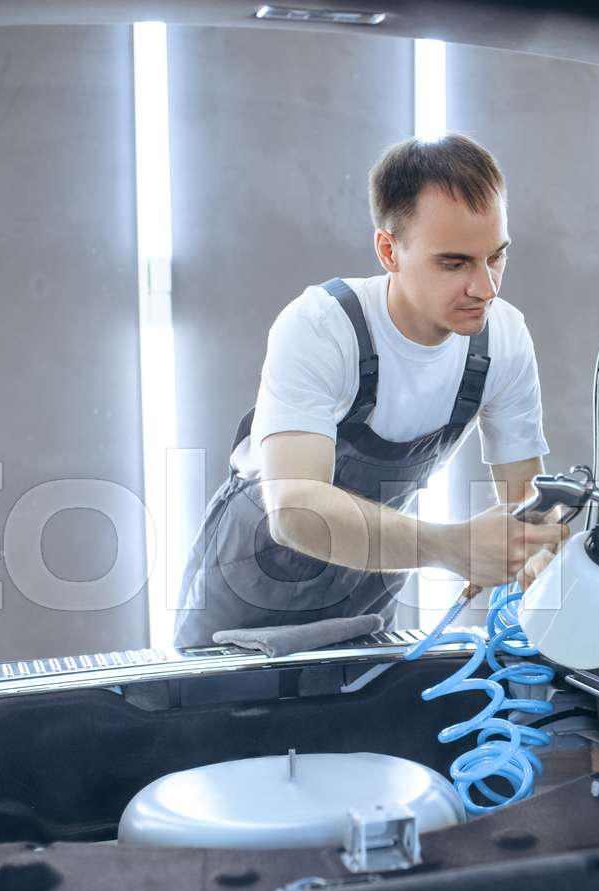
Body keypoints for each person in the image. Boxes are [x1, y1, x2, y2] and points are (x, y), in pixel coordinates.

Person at [173, 134, 571, 647]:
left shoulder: (504, 340)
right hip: (252, 572)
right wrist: (453, 546)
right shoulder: (321, 327)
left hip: (371, 574)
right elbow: (295, 512)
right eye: (454, 264)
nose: (486, 288)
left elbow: (526, 502)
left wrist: (536, 552)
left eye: (495, 257)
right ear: (389, 250)